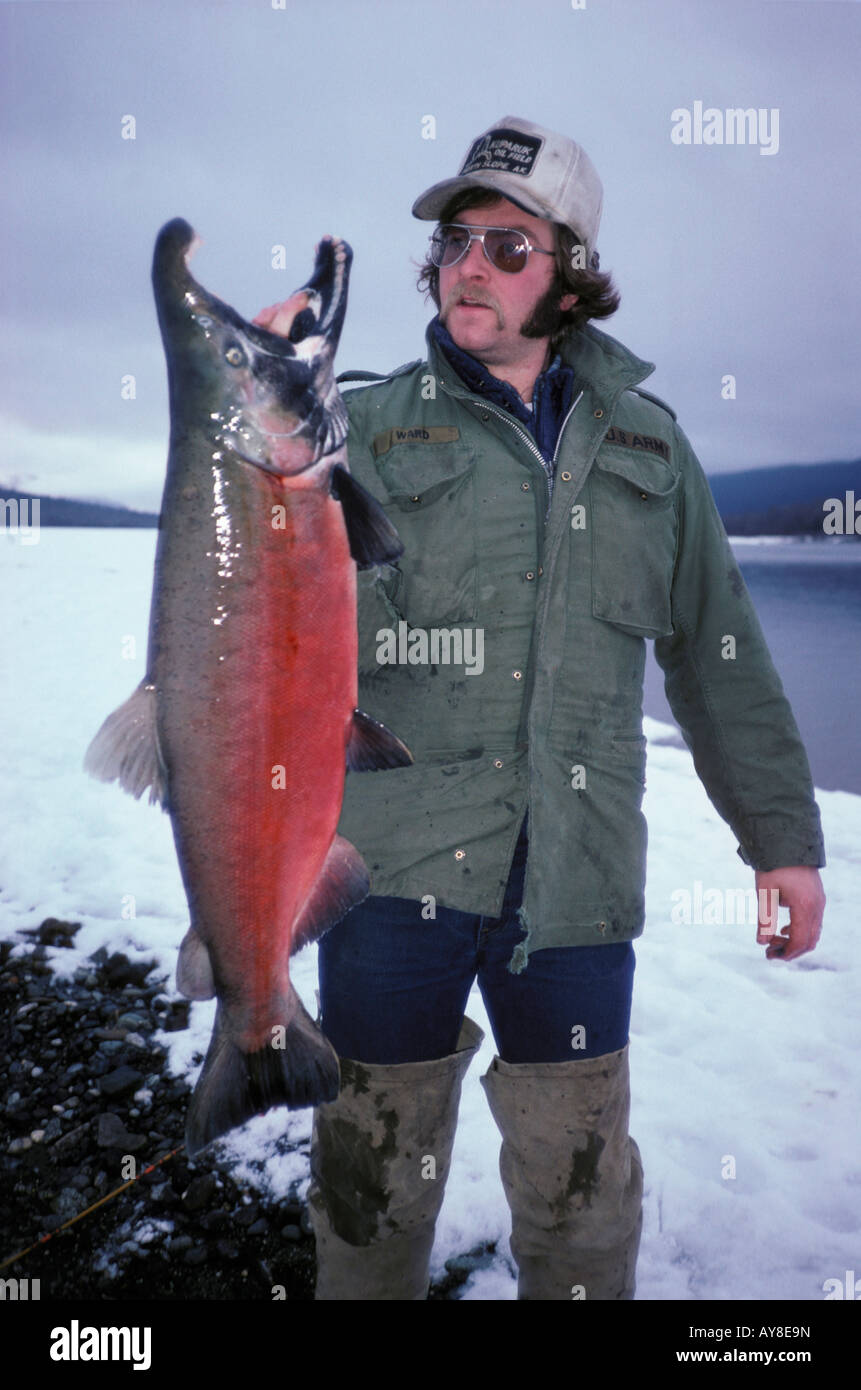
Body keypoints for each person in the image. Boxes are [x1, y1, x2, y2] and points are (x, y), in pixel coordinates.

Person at [253, 115, 826, 1301]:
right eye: (458, 241)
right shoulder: (357, 426)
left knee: (581, 1192)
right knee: (370, 1186)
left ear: (571, 272)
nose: (471, 264)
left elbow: (720, 658)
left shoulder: (650, 450)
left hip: (573, 880)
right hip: (392, 873)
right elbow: (256, 566)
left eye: (508, 246)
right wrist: (252, 405)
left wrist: (782, 842)